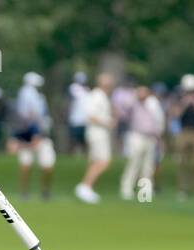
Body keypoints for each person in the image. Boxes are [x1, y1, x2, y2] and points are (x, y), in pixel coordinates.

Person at [11, 71, 56, 199]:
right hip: (27, 139)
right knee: (26, 166)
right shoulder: (26, 94)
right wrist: (26, 144)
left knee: (47, 166)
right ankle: (24, 193)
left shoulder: (38, 97)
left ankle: (45, 192)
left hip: (40, 138)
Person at [75, 72, 116, 204]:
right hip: (97, 132)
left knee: (96, 161)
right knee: (104, 161)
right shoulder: (97, 95)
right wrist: (107, 122)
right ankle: (85, 186)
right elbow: (91, 116)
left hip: (99, 132)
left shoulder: (102, 96)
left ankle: (88, 187)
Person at [119, 85, 164, 200]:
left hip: (151, 137)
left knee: (148, 166)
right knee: (134, 163)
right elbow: (124, 109)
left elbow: (158, 120)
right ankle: (126, 188)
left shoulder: (152, 104)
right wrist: (135, 96)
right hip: (137, 136)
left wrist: (159, 136)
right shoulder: (134, 104)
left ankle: (145, 191)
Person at [171, 74, 194, 198]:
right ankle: (182, 188)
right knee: (182, 162)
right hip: (184, 132)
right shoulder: (179, 98)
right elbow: (176, 115)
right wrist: (185, 104)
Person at [67, 72, 90, 156]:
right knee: (74, 138)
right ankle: (74, 154)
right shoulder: (73, 88)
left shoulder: (87, 90)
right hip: (75, 117)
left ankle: (84, 155)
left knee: (84, 138)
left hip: (85, 118)